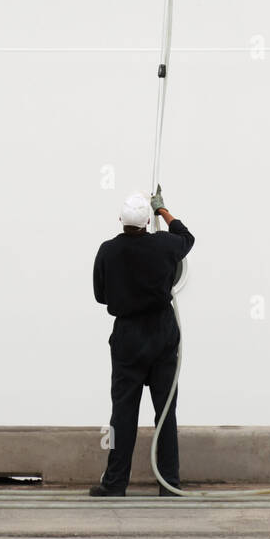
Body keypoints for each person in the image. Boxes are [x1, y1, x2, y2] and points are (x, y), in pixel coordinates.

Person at [90, 186, 195, 497]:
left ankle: (115, 483)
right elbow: (187, 237)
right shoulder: (165, 244)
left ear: (121, 220)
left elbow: (100, 296)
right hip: (162, 335)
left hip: (128, 339)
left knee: (122, 414)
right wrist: (163, 208)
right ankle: (169, 483)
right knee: (165, 412)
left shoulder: (107, 250)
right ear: (148, 222)